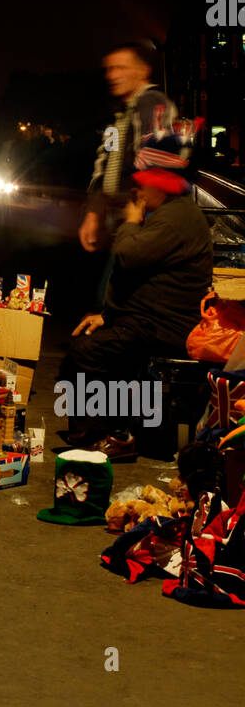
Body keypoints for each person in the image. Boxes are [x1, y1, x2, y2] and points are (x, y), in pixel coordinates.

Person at [62, 168, 213, 457]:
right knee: (86, 340)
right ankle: (90, 428)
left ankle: (117, 436)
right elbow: (145, 276)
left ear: (162, 188)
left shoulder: (175, 218)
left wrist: (131, 222)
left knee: (92, 351)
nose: (138, 194)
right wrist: (108, 315)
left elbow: (128, 256)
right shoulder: (169, 214)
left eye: (144, 188)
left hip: (168, 325)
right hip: (150, 317)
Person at [79, 43, 195, 308]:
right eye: (108, 69)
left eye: (120, 67)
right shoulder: (121, 115)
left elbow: (154, 162)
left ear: (143, 71)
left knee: (118, 299)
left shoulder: (153, 104)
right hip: (125, 221)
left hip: (145, 221)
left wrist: (136, 212)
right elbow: (105, 160)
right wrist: (94, 212)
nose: (111, 75)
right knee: (113, 295)